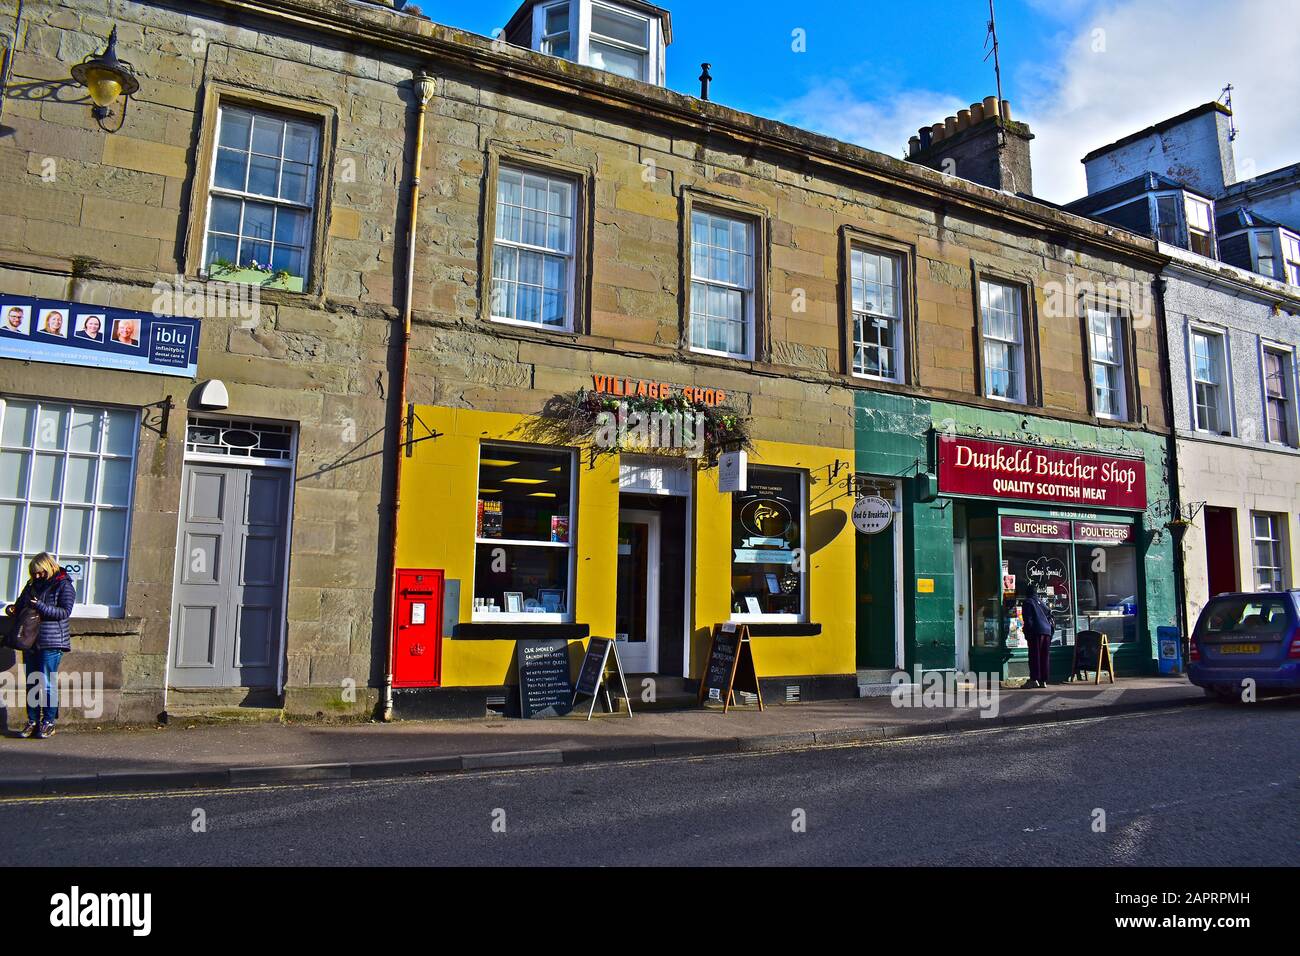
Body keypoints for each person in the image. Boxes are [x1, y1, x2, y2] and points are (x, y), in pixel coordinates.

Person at [4, 553, 74, 738]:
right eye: (33, 573)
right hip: (30, 639)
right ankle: (32, 721)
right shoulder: (31, 585)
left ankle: (48, 722)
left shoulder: (63, 584)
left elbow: (65, 612)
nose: (36, 576)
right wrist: (11, 609)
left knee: (47, 683)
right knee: (32, 683)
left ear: (48, 567)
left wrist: (41, 606)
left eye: (39, 573)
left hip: (51, 640)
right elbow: (20, 605)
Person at [1020, 579, 1054, 689]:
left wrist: (1027, 633)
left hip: (1036, 632)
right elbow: (1050, 616)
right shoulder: (1042, 603)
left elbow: (1028, 620)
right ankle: (1043, 680)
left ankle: (1034, 679)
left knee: (1035, 656)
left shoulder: (1028, 602)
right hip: (1047, 632)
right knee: (1044, 656)